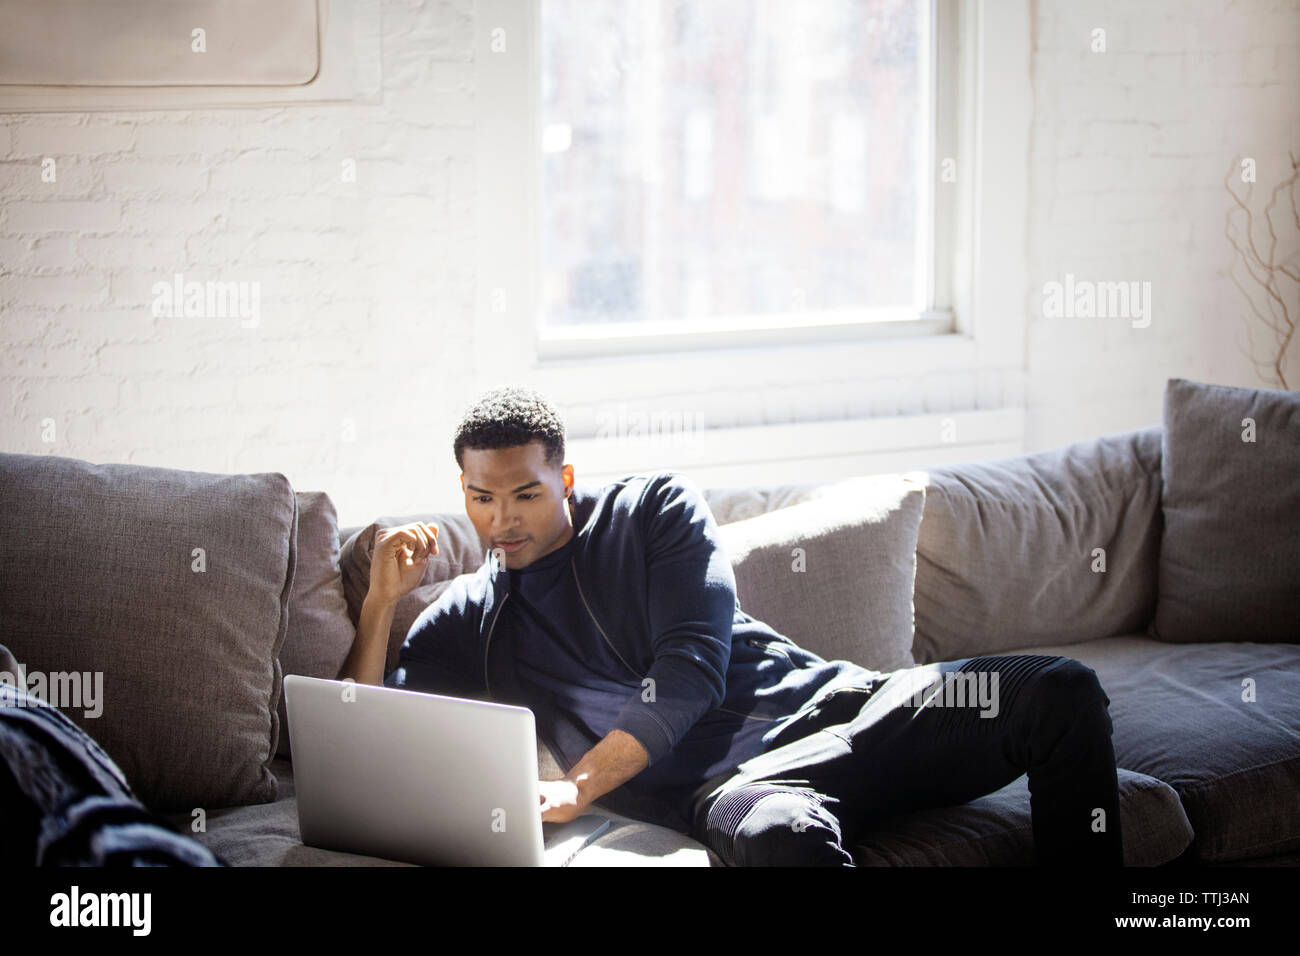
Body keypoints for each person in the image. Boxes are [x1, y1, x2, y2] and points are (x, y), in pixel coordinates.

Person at [339, 386, 1124, 866]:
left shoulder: (652, 510)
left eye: (525, 495)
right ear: (463, 490)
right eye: (482, 499)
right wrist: (379, 606)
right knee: (781, 838)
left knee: (1054, 690)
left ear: (565, 477)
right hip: (737, 788)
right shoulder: (464, 622)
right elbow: (365, 747)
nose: (502, 521)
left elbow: (690, 664)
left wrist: (581, 786)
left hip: (858, 712)